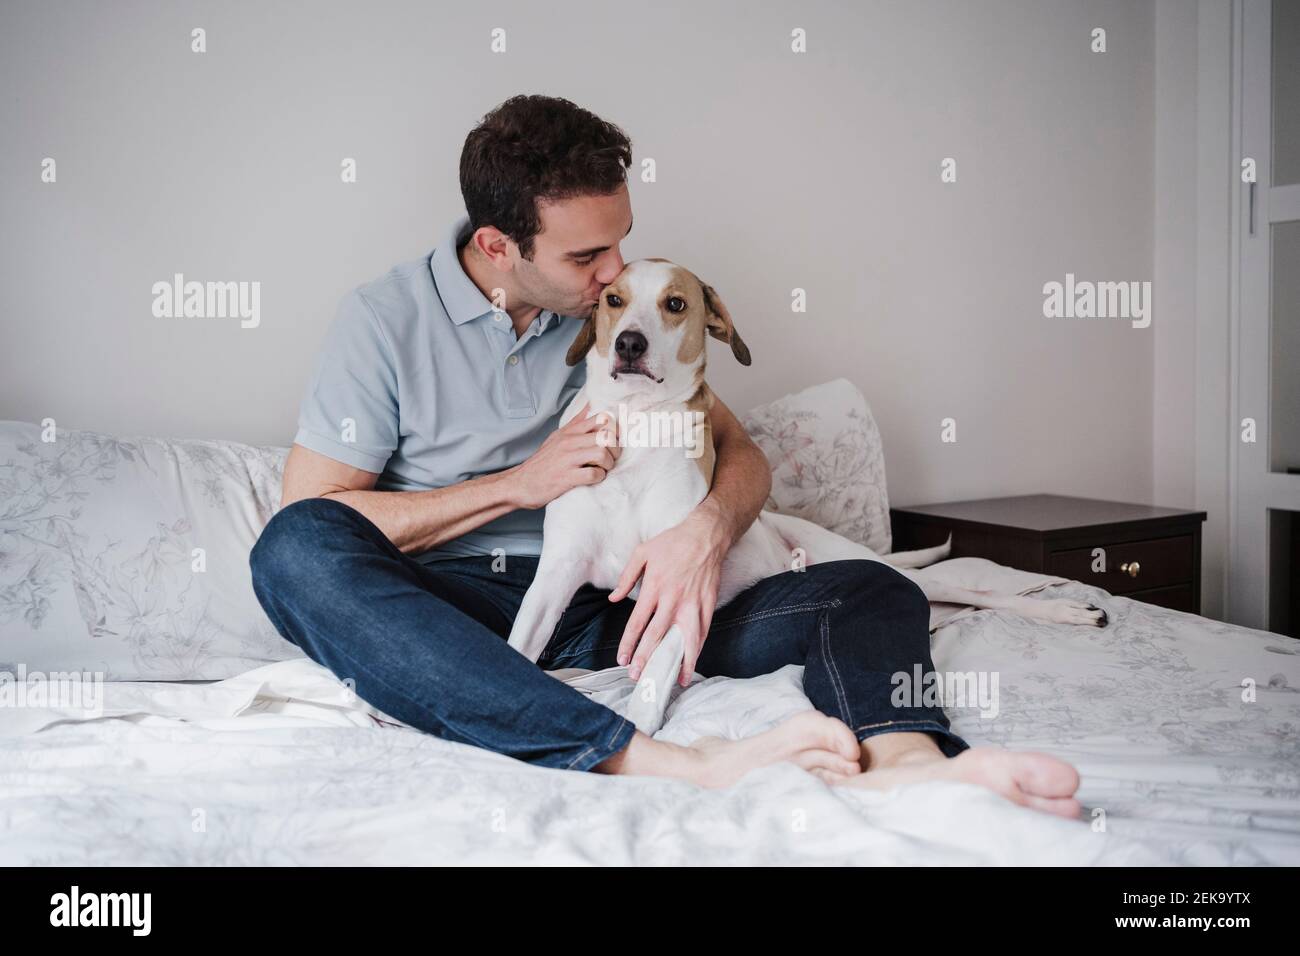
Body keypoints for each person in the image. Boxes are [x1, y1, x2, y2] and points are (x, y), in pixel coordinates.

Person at [249, 94, 1081, 817]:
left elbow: (738, 452)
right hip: (451, 608)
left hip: (631, 607)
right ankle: (664, 761)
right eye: (586, 258)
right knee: (292, 553)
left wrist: (706, 531)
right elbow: (318, 515)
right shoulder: (383, 322)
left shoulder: (629, 321)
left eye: (621, 244)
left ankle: (907, 766)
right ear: (501, 247)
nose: (614, 272)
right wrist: (516, 487)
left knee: (867, 587)